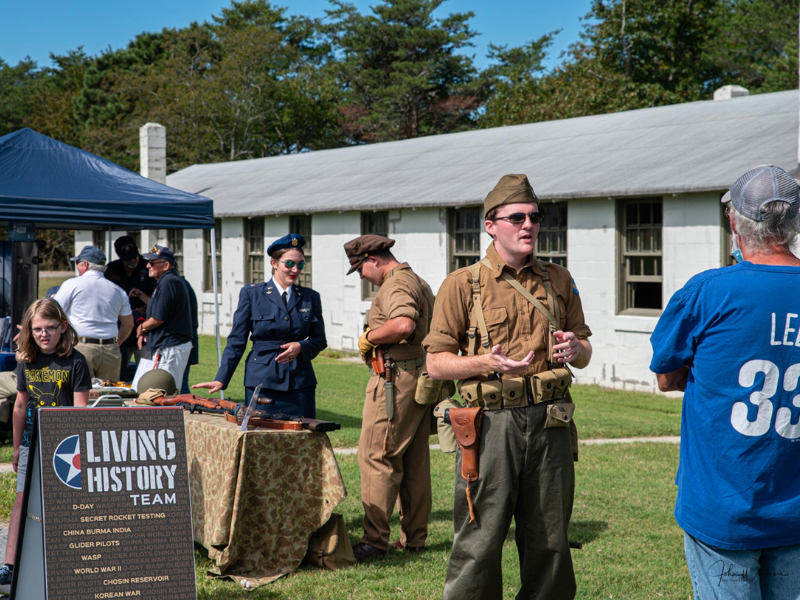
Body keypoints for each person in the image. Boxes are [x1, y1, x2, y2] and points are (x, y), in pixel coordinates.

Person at [424, 174, 592, 599]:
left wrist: (577, 347)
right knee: (479, 540)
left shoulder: (558, 279)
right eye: (517, 217)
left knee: (550, 541)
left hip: (551, 423)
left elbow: (585, 350)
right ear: (491, 225)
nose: (528, 225)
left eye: (535, 217)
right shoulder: (462, 284)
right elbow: (435, 363)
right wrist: (484, 361)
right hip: (491, 428)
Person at [650, 165, 800, 600]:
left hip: (723, 510)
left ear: (734, 223)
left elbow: (666, 376)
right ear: (791, 226)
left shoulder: (709, 292)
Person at [343, 234, 436, 560]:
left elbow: (403, 324)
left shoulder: (395, 285)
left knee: (377, 456)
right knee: (413, 460)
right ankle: (415, 539)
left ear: (373, 259)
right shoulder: (417, 281)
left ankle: (373, 542)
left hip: (394, 380)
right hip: (417, 378)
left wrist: (369, 337)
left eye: (360, 269)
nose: (362, 277)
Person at [0, 299, 90, 586]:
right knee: (21, 500)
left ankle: (67, 563)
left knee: (64, 502)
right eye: (37, 329)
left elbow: (80, 410)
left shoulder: (76, 361)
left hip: (65, 448)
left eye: (50, 327)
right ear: (29, 330)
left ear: (63, 326)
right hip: (30, 442)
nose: (44, 334)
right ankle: (10, 566)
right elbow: (19, 406)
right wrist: (16, 447)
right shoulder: (27, 360)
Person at [193, 234, 326, 417]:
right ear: (274, 263)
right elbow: (237, 341)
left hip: (300, 382)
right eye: (289, 264)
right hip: (262, 380)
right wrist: (221, 378)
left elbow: (320, 339)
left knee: (302, 438)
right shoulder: (252, 294)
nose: (295, 269)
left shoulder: (310, 297)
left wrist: (301, 346)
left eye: (300, 264)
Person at [53, 246, 133, 381]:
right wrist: (116, 343)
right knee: (108, 397)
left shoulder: (72, 284)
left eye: (77, 263)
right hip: (110, 349)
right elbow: (128, 324)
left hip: (81, 347)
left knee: (78, 396)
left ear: (84, 264)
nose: (77, 267)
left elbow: (52, 313)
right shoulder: (118, 290)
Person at [134, 245, 194, 390]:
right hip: (168, 345)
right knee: (161, 390)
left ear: (166, 265)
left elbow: (158, 318)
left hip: (170, 347)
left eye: (152, 262)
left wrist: (141, 327)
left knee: (164, 390)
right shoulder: (167, 281)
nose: (148, 265)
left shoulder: (169, 282)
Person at [104, 235, 155, 380]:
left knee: (146, 374)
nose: (133, 261)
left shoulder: (148, 267)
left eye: (134, 257)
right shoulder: (111, 269)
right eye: (128, 258)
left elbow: (157, 299)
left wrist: (144, 309)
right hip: (119, 329)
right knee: (117, 373)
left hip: (143, 328)